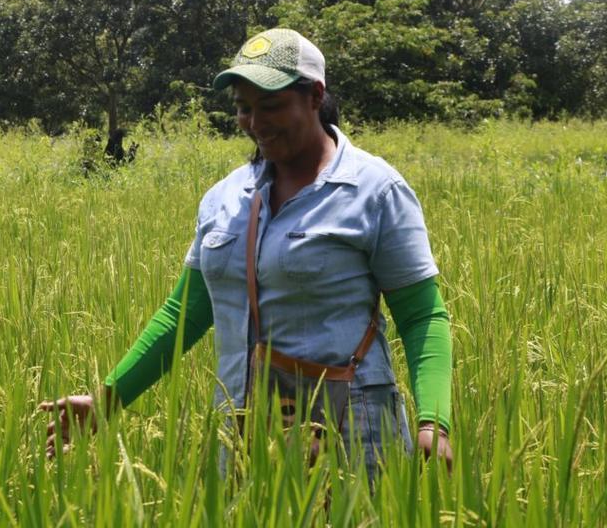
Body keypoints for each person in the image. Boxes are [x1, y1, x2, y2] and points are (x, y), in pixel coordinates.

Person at [39, 28, 453, 479]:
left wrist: (434, 421)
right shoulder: (226, 197)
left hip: (349, 433)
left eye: (271, 106)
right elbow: (185, 314)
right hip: (245, 432)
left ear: (315, 96)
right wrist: (107, 399)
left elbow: (421, 315)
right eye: (243, 108)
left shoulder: (375, 190)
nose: (256, 123)